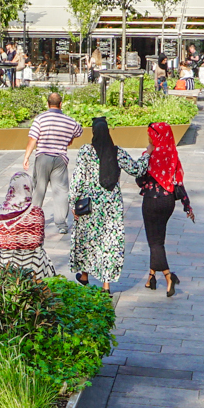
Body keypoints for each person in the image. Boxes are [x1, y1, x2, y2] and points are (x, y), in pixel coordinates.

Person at [69, 117, 149, 294]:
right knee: (109, 243)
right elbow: (136, 169)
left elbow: (77, 179)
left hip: (89, 205)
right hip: (112, 206)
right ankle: (106, 285)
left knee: (88, 240)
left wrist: (73, 202)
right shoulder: (117, 152)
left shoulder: (85, 152)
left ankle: (84, 276)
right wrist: (147, 155)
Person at [139, 122, 193, 297]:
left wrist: (147, 154)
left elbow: (139, 179)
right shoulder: (172, 154)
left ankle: (169, 277)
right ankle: (151, 277)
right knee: (158, 238)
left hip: (151, 201)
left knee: (154, 242)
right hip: (168, 202)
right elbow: (178, 181)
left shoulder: (149, 155)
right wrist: (186, 204)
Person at [23, 91, 83, 235]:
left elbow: (33, 139)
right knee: (61, 191)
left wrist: (26, 157)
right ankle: (61, 224)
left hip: (43, 157)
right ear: (61, 104)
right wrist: (69, 139)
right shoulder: (69, 121)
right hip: (60, 159)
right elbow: (79, 131)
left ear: (48, 104)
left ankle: (34, 222)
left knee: (39, 190)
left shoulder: (40, 119)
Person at [0, 172, 55, 279]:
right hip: (33, 264)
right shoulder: (36, 212)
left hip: (3, 263)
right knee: (42, 255)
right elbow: (39, 240)